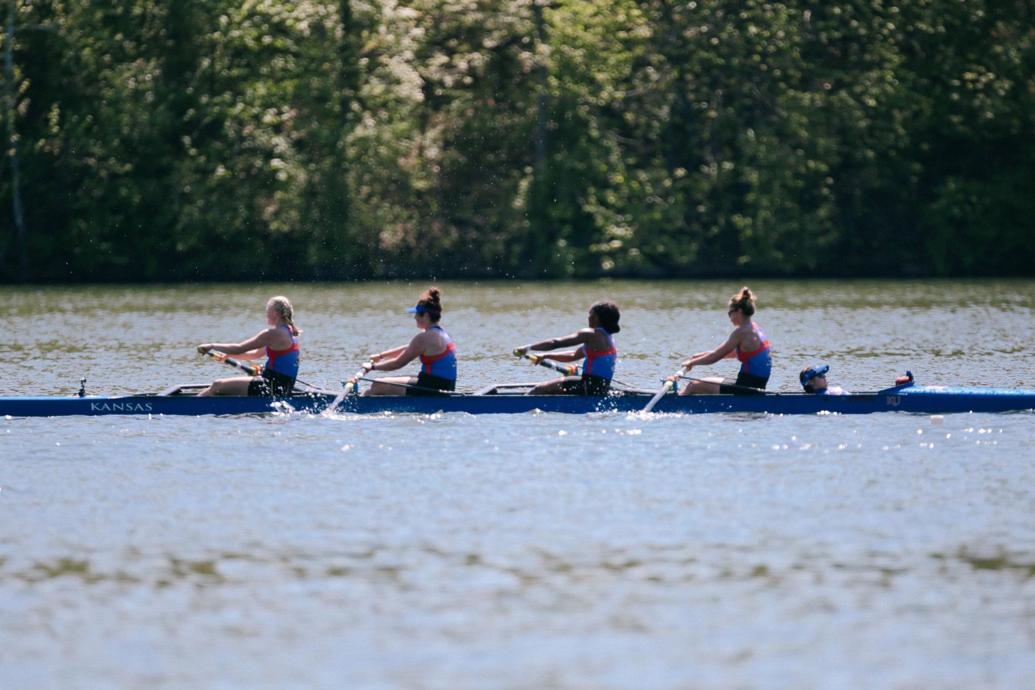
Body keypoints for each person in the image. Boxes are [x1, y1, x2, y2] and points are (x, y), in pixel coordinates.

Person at [196, 296, 301, 397]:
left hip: (270, 387)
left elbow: (239, 348)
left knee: (216, 385)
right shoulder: (289, 332)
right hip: (281, 387)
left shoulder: (273, 334)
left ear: (275, 314)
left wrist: (211, 346)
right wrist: (229, 355)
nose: (266, 314)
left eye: (267, 311)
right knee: (223, 388)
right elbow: (255, 354)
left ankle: (190, 406)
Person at [676, 287, 771, 395]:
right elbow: (732, 353)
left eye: (730, 313)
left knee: (692, 385)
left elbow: (715, 356)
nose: (730, 318)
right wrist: (699, 356)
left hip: (745, 388)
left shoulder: (741, 332)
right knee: (703, 382)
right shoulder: (755, 329)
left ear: (739, 311)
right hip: (755, 385)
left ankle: (674, 406)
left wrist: (691, 362)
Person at [364, 287, 457, 396]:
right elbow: (408, 348)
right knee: (387, 380)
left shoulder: (424, 337)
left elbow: (398, 363)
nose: (414, 318)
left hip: (433, 388)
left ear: (426, 315)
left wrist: (372, 367)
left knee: (377, 384)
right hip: (444, 385)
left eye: (416, 314)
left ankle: (360, 407)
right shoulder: (440, 333)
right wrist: (380, 356)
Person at [514, 301, 621, 395]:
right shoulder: (609, 339)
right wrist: (545, 355)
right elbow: (573, 355)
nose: (588, 317)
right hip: (602, 387)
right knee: (554, 388)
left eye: (590, 314)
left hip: (587, 384)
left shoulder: (590, 334)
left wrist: (528, 348)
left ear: (596, 317)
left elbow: (554, 343)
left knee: (537, 390)